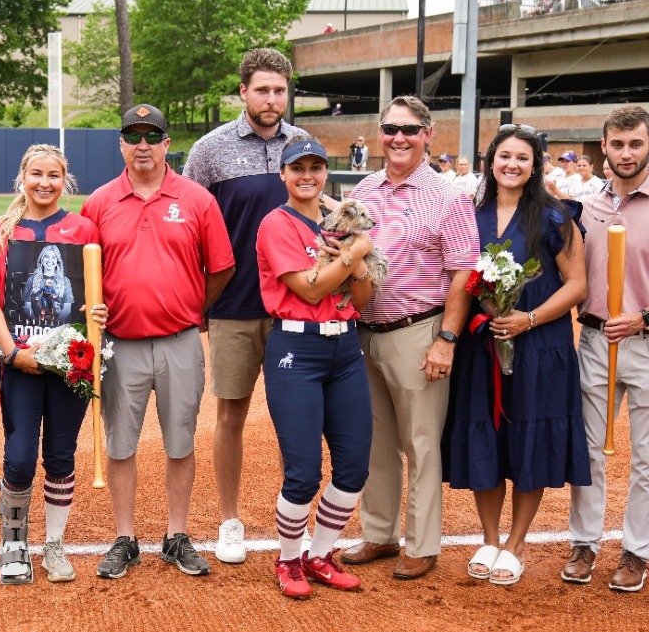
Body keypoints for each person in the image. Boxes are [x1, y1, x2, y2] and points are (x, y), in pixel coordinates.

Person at [81, 103, 235, 579]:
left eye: (152, 136)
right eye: (134, 136)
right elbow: (84, 275)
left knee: (180, 442)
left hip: (179, 341)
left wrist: (191, 307)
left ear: (168, 144)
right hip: (119, 343)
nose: (143, 145)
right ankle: (125, 538)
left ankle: (176, 535)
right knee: (121, 444)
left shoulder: (195, 200)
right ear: (121, 144)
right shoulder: (100, 202)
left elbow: (222, 267)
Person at [443, 124, 589, 586]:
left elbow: (578, 284)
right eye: (504, 156)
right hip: (481, 346)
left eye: (522, 158)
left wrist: (529, 318)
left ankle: (515, 543)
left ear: (535, 165)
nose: (512, 165)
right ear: (490, 160)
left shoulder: (554, 217)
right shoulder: (470, 212)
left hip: (540, 347)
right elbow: (462, 280)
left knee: (529, 439)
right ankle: (489, 538)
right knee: (485, 436)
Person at [340, 96, 478, 580]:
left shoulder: (449, 195)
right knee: (373, 440)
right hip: (363, 333)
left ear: (428, 135)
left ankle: (422, 544)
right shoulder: (364, 189)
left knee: (419, 442)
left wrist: (446, 339)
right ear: (380, 133)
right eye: (391, 128)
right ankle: (379, 534)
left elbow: (464, 273)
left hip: (418, 331)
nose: (399, 138)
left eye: (410, 130)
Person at [565, 105, 649, 593]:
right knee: (589, 449)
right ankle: (584, 543)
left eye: (635, 144)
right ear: (603, 147)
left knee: (648, 455)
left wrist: (643, 315)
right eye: (617, 144)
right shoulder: (587, 204)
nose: (626, 153)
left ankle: (635, 551)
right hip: (596, 339)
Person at [181, 49, 307, 566]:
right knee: (230, 414)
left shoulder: (302, 145)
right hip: (233, 307)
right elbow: (189, 225)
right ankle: (230, 519)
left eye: (279, 90)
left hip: (295, 307)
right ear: (243, 93)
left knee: (293, 418)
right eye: (262, 90)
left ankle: (291, 523)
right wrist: (198, 300)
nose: (271, 99)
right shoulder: (210, 150)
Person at [0, 146, 104, 585]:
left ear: (65, 179)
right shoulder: (1, 232)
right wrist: (13, 352)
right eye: (36, 174)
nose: (44, 183)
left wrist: (98, 313)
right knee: (19, 456)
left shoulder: (84, 229)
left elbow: (96, 293)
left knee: (60, 455)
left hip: (72, 365)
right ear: (22, 177)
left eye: (54, 175)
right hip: (23, 361)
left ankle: (53, 545)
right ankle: (13, 545)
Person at [256, 138, 374, 599]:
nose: (307, 175)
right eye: (297, 167)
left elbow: (361, 299)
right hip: (295, 349)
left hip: (344, 349)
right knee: (303, 471)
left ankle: (320, 555)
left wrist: (354, 256)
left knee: (353, 466)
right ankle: (288, 560)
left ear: (327, 172)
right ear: (283, 174)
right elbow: (308, 291)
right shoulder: (276, 223)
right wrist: (354, 252)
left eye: (316, 167)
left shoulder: (338, 222)